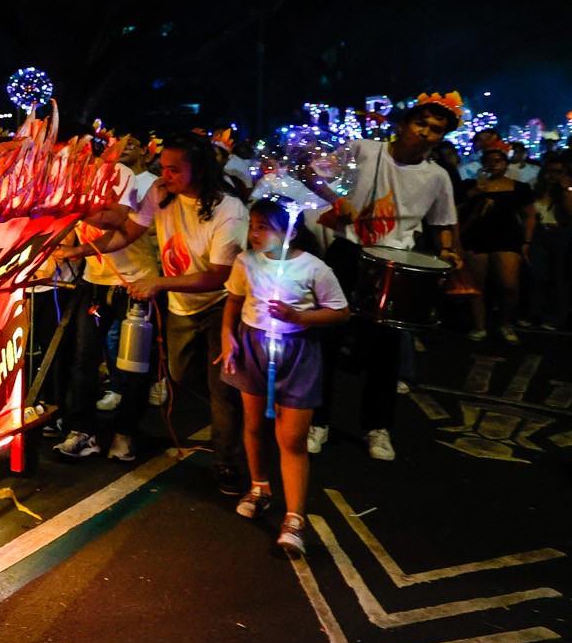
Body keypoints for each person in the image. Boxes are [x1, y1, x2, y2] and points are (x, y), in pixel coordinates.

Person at [74, 133, 250, 494]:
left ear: (199, 169)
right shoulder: (161, 192)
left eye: (174, 169)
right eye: (164, 167)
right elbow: (127, 233)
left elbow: (218, 276)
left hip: (222, 305)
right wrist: (81, 251)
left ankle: (228, 462)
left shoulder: (229, 210)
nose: (164, 175)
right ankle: (236, 410)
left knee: (221, 387)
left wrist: (159, 282)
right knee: (181, 373)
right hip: (182, 302)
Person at [313, 95, 462, 461]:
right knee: (325, 338)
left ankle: (377, 427)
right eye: (421, 123)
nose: (426, 132)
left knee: (385, 347)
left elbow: (442, 222)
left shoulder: (437, 176)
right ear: (403, 124)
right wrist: (335, 198)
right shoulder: (363, 149)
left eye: (436, 130)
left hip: (394, 261)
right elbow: (313, 171)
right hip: (348, 250)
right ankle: (317, 420)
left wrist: (446, 249)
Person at [218, 200, 351, 557]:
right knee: (254, 425)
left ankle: (294, 519)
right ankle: (259, 487)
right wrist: (227, 336)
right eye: (253, 225)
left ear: (290, 230)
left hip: (298, 352)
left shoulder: (315, 268)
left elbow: (341, 313)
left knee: (291, 438)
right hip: (253, 346)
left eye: (264, 227)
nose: (255, 234)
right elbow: (234, 300)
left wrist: (299, 316)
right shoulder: (246, 262)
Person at [50, 139, 160, 463]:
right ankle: (82, 431)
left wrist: (73, 207)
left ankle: (125, 433)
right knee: (84, 358)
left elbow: (115, 221)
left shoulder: (119, 174)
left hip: (134, 283)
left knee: (133, 363)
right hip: (94, 282)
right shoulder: (66, 185)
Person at [459, 146, 534, 343]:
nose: (493, 165)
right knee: (476, 285)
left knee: (509, 285)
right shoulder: (472, 185)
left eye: (498, 161)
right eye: (488, 161)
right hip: (477, 236)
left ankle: (505, 323)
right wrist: (474, 192)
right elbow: (458, 208)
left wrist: (527, 241)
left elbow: (529, 215)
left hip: (507, 237)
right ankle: (479, 326)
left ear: (506, 164)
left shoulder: (519, 188)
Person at [524, 155, 572, 329]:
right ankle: (534, 312)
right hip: (540, 232)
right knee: (537, 275)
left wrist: (566, 189)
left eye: (558, 172)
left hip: (563, 233)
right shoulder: (536, 189)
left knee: (558, 276)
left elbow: (571, 211)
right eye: (549, 171)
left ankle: (554, 316)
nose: (552, 175)